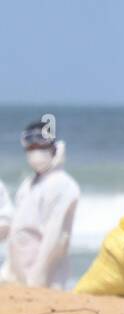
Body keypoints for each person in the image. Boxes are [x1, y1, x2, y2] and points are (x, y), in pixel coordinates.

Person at [0, 121, 80, 289]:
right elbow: (13, 227)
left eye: (40, 145)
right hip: (17, 278)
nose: (35, 150)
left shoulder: (63, 185)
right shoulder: (28, 185)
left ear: (52, 146)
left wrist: (37, 281)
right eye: (31, 146)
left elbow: (55, 239)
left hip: (45, 282)